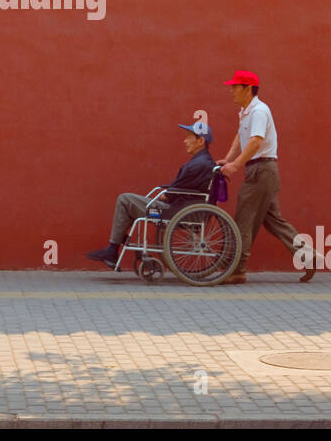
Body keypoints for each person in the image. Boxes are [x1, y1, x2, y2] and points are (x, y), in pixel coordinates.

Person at [217, 70, 316, 284]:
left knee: (243, 220)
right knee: (274, 221)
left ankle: (237, 270)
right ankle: (308, 256)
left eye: (235, 87)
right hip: (262, 171)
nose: (231, 91)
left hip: (261, 170)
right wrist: (228, 157)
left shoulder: (259, 111)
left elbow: (255, 141)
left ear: (248, 89)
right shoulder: (245, 112)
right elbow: (240, 135)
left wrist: (235, 165)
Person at [86, 121, 216, 266]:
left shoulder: (198, 164)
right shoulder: (202, 162)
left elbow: (176, 191)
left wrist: (166, 195)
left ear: (200, 141)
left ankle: (113, 248)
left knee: (125, 200)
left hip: (175, 210)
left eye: (188, 137)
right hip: (180, 207)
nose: (184, 141)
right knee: (131, 204)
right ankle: (114, 248)